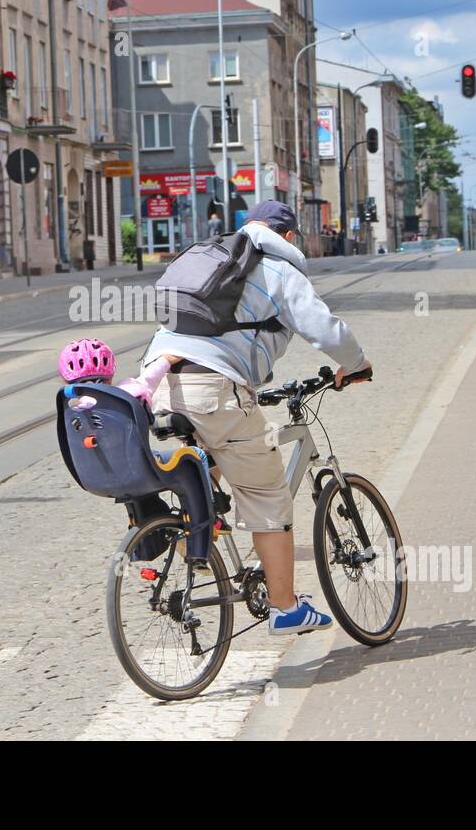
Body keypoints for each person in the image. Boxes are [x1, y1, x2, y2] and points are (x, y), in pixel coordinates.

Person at [142, 200, 371, 635]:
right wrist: (356, 363)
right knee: (268, 496)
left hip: (161, 381)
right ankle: (287, 609)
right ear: (288, 237)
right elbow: (325, 330)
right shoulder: (280, 270)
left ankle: (198, 531)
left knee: (215, 450)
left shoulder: (212, 257)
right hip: (212, 387)